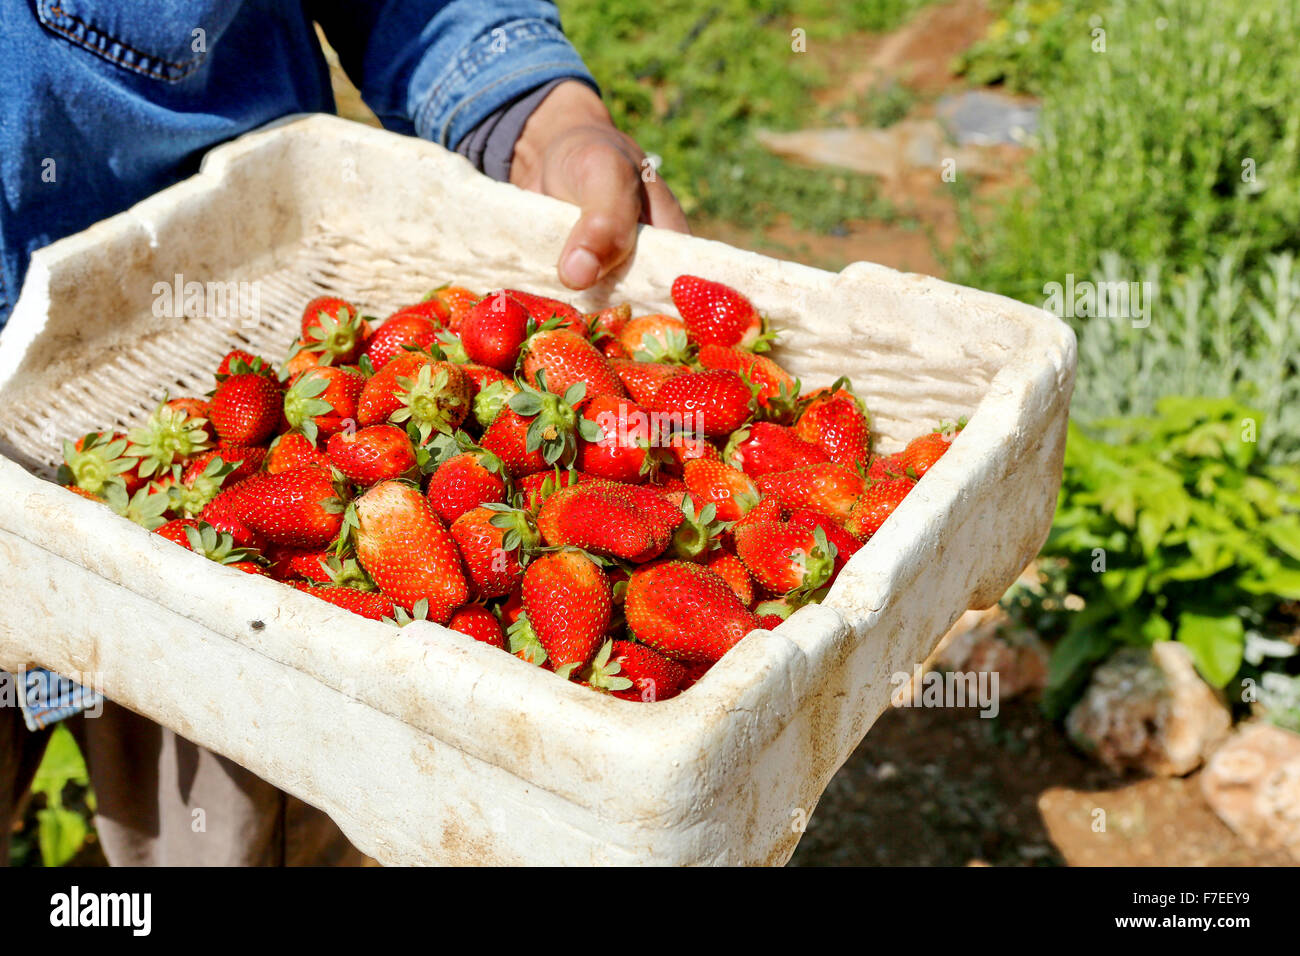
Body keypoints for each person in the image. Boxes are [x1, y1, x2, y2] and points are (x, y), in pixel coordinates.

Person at [0, 0, 687, 866]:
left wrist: (532, 113)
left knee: (230, 838)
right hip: (217, 467)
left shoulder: (280, 474)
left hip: (207, 383)